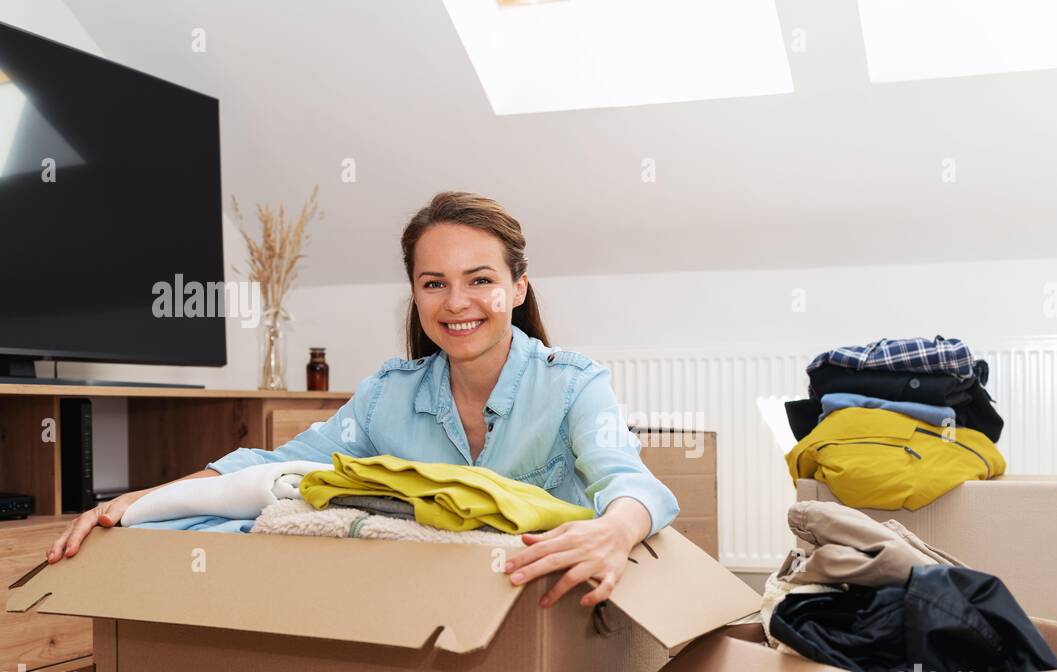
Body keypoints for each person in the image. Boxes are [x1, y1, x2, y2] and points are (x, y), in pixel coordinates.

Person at [47, 191, 679, 610]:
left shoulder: (573, 383)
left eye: (480, 280)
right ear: (416, 293)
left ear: (517, 288)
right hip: (419, 610)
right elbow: (274, 466)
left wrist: (612, 533)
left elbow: (634, 484)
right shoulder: (389, 394)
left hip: (539, 610)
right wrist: (138, 501)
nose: (456, 303)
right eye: (435, 284)